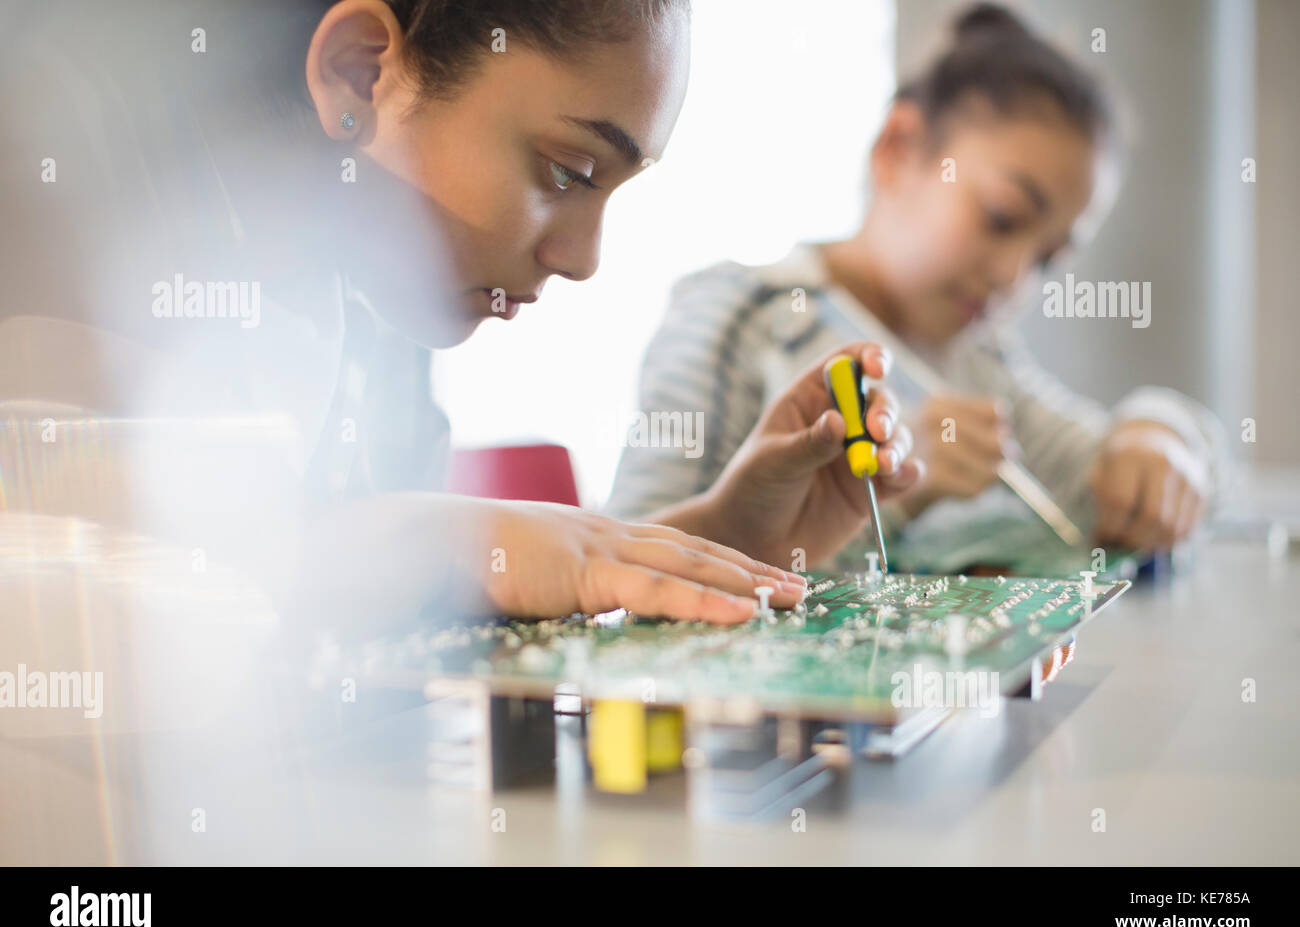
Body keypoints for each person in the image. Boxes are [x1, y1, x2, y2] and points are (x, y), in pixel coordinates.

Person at [0, 0, 919, 629]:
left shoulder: (376, 309)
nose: (585, 260)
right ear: (361, 74)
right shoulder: (74, 184)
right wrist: (456, 540)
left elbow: (370, 596)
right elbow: (113, 575)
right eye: (565, 171)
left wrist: (727, 537)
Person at [606, 3, 1220, 565]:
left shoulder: (979, 362)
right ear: (898, 148)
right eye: (1002, 218)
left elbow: (1107, 467)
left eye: (1048, 258)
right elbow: (623, 572)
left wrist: (1157, 436)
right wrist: (895, 493)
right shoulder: (739, 320)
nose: (1013, 277)